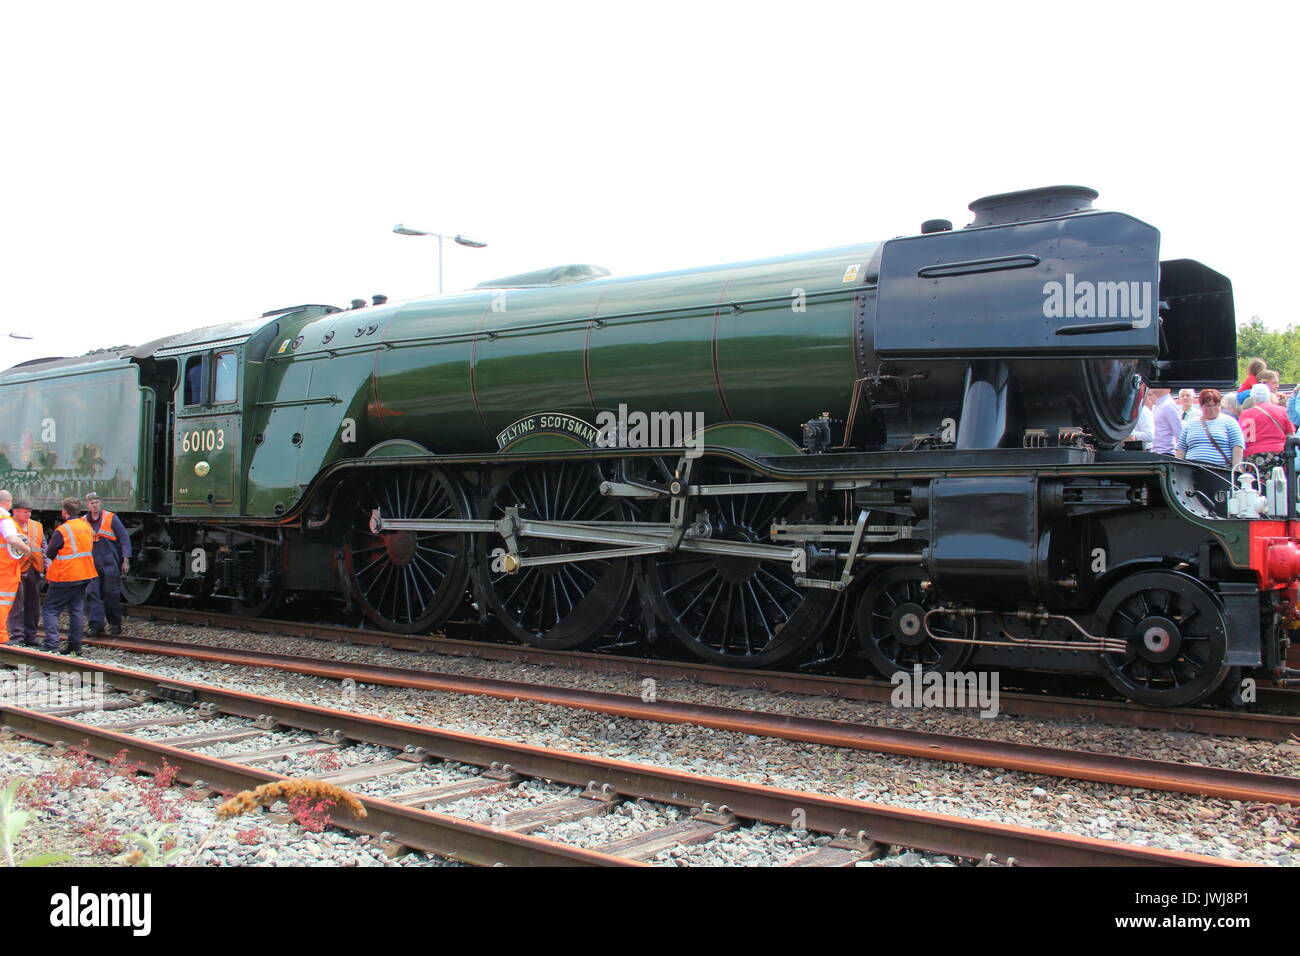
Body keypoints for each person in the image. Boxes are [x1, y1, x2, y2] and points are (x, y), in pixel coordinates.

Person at [42, 497, 97, 656]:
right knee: (76, 610)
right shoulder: (86, 526)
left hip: (65, 575)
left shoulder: (63, 530)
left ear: (64, 512)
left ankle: (51, 644)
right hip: (85, 574)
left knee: (50, 609)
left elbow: (50, 553)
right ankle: (75, 645)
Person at [83, 491, 131, 637]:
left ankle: (115, 624)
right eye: (92, 503)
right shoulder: (82, 521)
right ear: (87, 505)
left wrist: (126, 559)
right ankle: (95, 626)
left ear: (100, 503)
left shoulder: (111, 518)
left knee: (112, 593)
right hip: (91, 563)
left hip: (109, 562)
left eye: (97, 502)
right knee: (92, 593)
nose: (95, 505)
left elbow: (124, 539)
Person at [0, 490, 36, 646]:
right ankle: (2, 638)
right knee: (3, 602)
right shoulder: (5, 520)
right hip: (5, 568)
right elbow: (12, 540)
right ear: (8, 502)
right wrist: (29, 551)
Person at [1176, 389, 1244, 468]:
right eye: (1208, 406)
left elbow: (1237, 446)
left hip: (1220, 471)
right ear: (1201, 406)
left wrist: (1236, 469)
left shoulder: (1230, 422)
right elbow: (1181, 449)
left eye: (1216, 405)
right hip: (1191, 471)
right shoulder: (1190, 424)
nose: (1212, 409)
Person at [8, 500, 44, 647]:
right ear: (15, 512)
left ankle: (31, 636)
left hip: (33, 568)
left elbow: (43, 546)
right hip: (14, 569)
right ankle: (17, 636)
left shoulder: (37, 526)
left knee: (33, 605)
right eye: (24, 511)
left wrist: (46, 564)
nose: (28, 514)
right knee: (16, 605)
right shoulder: (7, 525)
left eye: (29, 511)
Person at [1239, 382, 1296, 474]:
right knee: (1281, 482)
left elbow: (1245, 438)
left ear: (1252, 397)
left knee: (1258, 485)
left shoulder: (1246, 414)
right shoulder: (1283, 411)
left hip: (1255, 454)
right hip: (1280, 452)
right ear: (1268, 396)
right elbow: (1291, 435)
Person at [1151, 388, 1182, 455]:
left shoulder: (1169, 405)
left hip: (1166, 454)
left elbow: (1179, 433)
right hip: (1157, 453)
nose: (1155, 385)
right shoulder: (1159, 404)